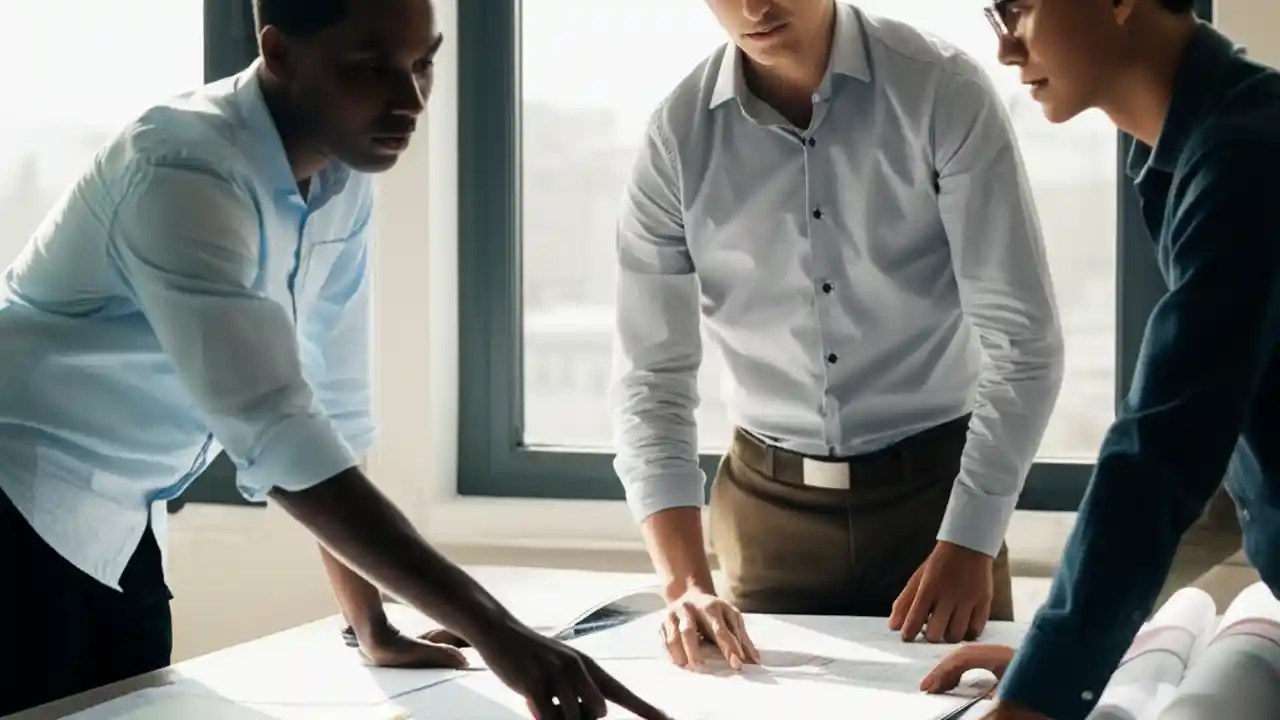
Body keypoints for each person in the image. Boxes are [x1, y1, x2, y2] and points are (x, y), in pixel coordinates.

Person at [0, 1, 670, 718]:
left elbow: (329, 409)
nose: (409, 100)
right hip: (20, 500)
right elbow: (277, 434)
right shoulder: (184, 169)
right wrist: (497, 630)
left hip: (125, 516)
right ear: (279, 53)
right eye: (369, 68)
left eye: (423, 64)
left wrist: (370, 624)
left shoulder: (341, 178)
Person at [611, 0, 1065, 671]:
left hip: (938, 504)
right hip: (767, 519)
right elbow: (651, 379)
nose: (755, 7)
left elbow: (1024, 343)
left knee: (970, 705)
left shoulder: (942, 90)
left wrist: (971, 539)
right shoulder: (676, 138)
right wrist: (685, 588)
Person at [921, 1, 1280, 718]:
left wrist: (1039, 695)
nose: (1007, 52)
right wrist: (1056, 658)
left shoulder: (1247, 155)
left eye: (1018, 10)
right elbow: (1220, 451)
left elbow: (1161, 453)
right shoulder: (1200, 151)